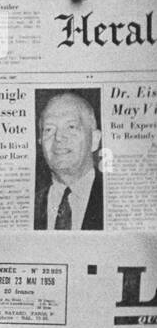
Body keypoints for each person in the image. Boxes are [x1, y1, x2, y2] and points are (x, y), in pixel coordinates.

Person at [33, 91, 103, 231]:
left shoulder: (112, 198)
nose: (58, 137)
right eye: (49, 129)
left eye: (71, 127)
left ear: (94, 140)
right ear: (40, 142)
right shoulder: (31, 203)